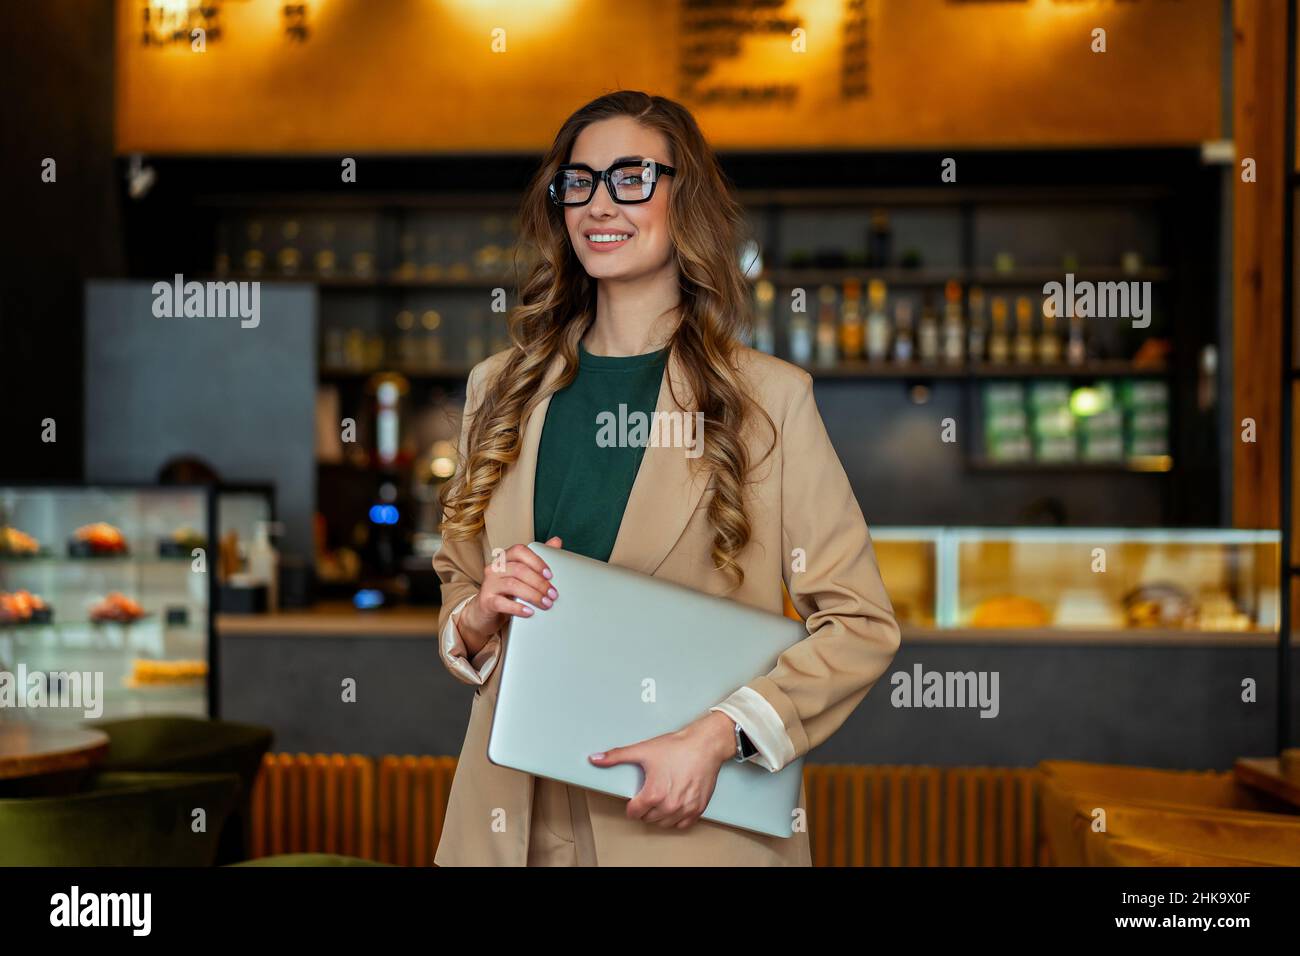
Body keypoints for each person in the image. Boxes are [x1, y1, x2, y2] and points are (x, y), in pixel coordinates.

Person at [433, 90, 900, 866]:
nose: (599, 203)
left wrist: (720, 737)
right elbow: (457, 577)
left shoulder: (769, 401)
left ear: (688, 199)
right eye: (577, 182)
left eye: (633, 177)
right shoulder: (499, 387)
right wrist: (479, 615)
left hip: (686, 828)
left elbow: (859, 624)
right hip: (507, 822)